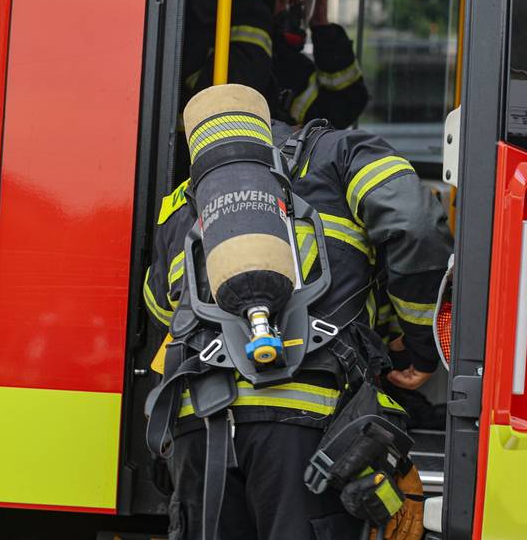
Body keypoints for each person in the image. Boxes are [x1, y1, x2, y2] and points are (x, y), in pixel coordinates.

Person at [143, 86, 451, 539]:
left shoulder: (187, 198)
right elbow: (416, 226)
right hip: (311, 429)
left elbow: (160, 306)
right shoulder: (344, 153)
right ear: (290, 123)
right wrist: (422, 347)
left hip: (199, 423)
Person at [182, 0, 369, 129]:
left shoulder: (287, 62)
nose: (297, 13)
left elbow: (346, 106)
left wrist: (323, 29)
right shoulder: (204, 43)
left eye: (305, 1)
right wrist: (252, 6)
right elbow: (237, 98)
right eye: (289, 0)